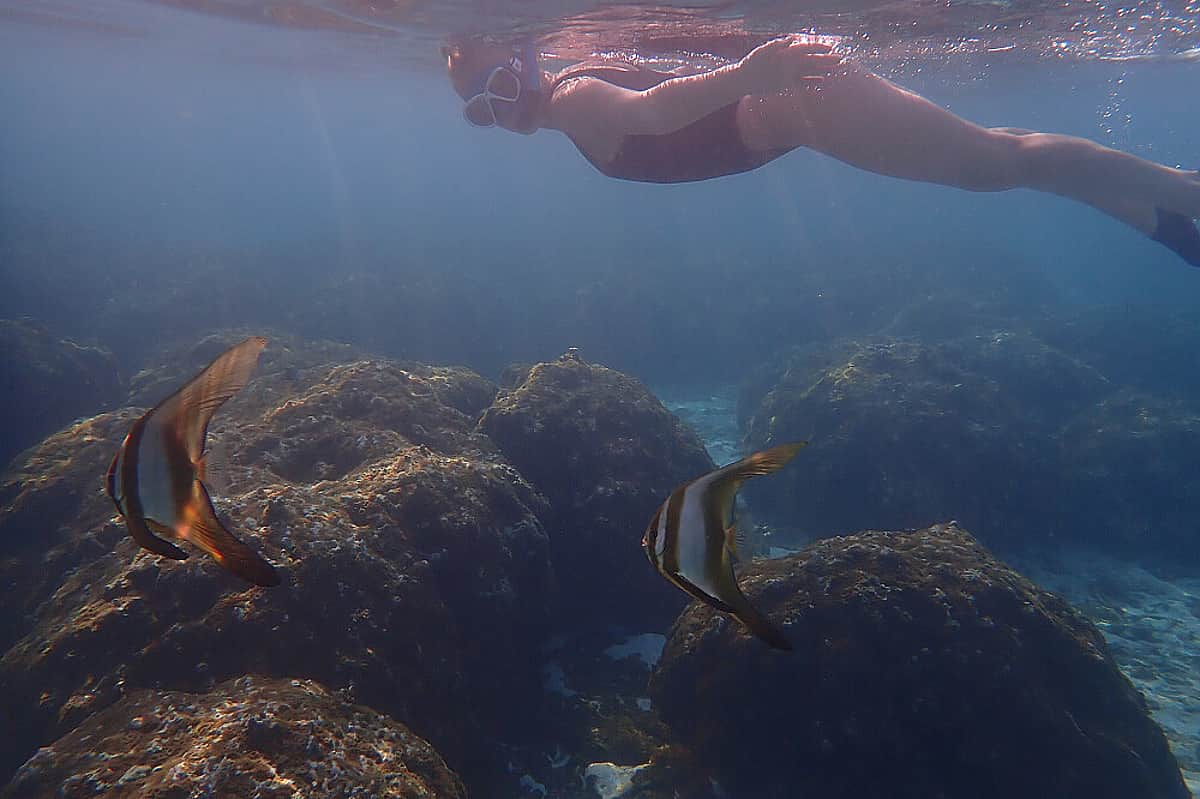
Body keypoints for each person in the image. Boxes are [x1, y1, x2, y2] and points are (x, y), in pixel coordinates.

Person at [443, 36, 1200, 266]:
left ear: (527, 63)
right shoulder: (569, 103)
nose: (502, 115)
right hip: (801, 110)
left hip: (802, 105)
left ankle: (1181, 188)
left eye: (502, 89)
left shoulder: (572, 98)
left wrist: (746, 72)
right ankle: (1156, 216)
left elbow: (650, 107)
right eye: (482, 113)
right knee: (999, 162)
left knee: (1002, 163)